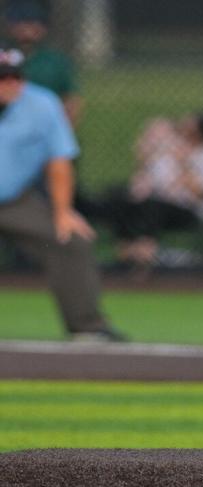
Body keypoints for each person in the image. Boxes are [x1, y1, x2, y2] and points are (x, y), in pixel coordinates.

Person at [0, 47, 121, 341]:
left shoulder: (42, 104)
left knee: (72, 240)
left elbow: (59, 162)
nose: (11, 84)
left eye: (16, 77)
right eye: (3, 78)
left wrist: (63, 211)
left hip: (15, 201)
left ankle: (87, 327)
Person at [101, 113, 203, 276]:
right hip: (160, 201)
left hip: (192, 210)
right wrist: (146, 156)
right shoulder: (174, 146)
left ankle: (144, 258)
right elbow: (152, 179)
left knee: (152, 208)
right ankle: (126, 253)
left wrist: (183, 164)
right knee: (123, 201)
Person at [5, 2, 78, 125]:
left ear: (43, 27)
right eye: (21, 23)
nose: (26, 29)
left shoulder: (55, 61)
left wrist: (60, 130)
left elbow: (71, 100)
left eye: (33, 23)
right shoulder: (4, 57)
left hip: (45, 125)